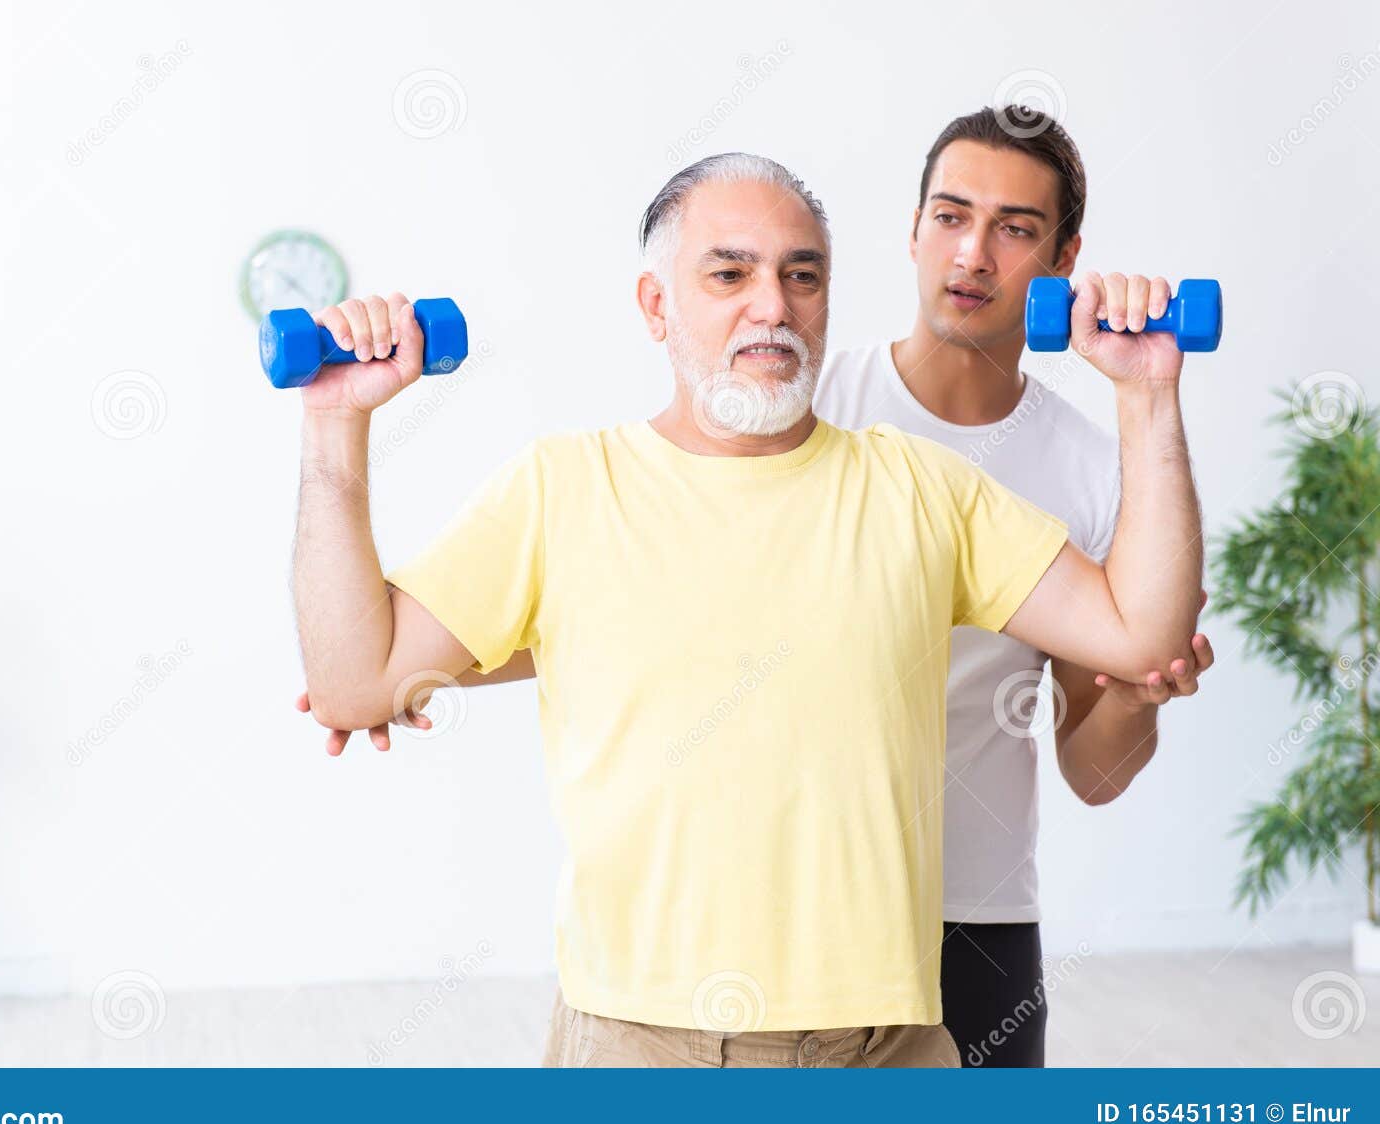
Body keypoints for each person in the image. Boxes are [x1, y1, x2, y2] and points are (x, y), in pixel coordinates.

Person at [305, 110, 1216, 1068]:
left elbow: (1139, 635)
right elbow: (355, 680)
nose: (772, 306)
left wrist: (1148, 394)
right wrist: (335, 433)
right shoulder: (561, 488)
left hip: (898, 1027)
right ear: (656, 306)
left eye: (802, 275)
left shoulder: (925, 486)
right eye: (729, 274)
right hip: (642, 1041)